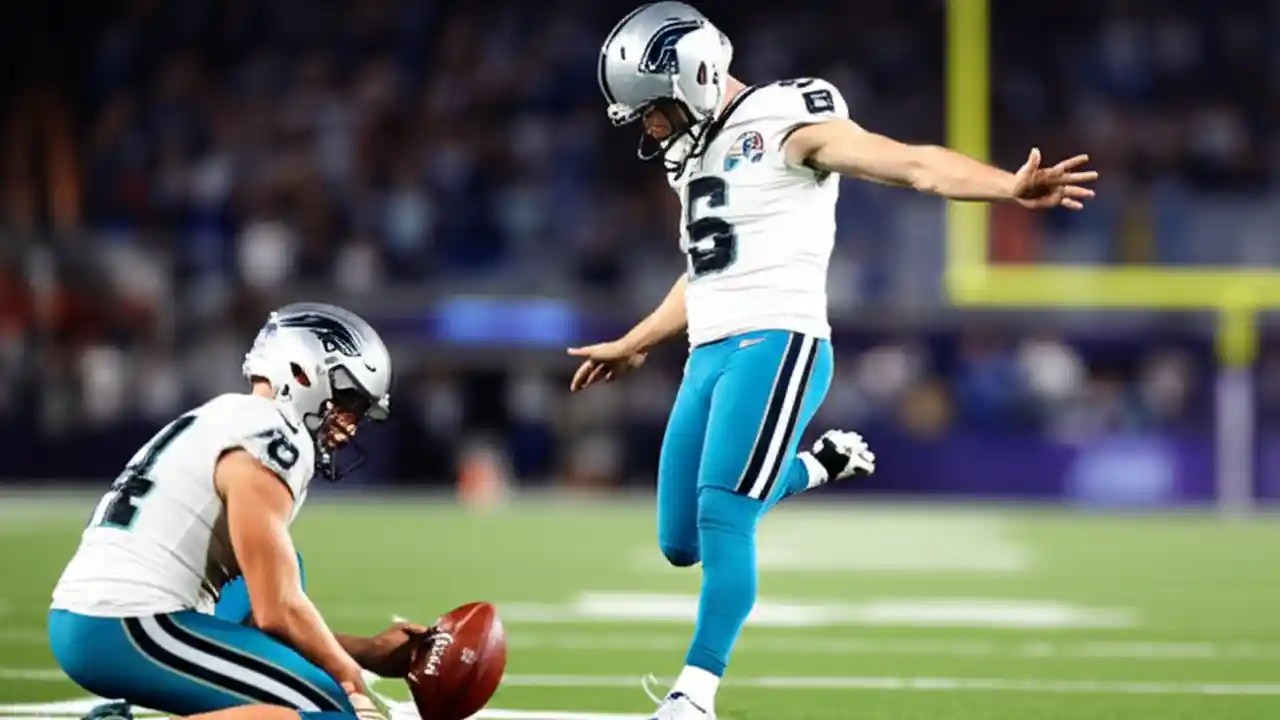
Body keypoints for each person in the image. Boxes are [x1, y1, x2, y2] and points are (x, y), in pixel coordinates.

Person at [571, 3, 1098, 718]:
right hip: (709, 351)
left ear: (695, 77)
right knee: (679, 540)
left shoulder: (787, 119)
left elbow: (910, 164)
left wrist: (1004, 185)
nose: (651, 128)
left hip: (776, 342)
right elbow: (705, 272)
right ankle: (812, 467)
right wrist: (635, 340)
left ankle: (694, 695)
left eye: (654, 111)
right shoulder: (690, 154)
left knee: (724, 516)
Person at [49, 303, 421, 720]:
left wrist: (367, 652)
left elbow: (259, 617)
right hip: (128, 624)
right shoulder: (274, 435)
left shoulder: (228, 415)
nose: (349, 424)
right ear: (302, 373)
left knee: (280, 571)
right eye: (347, 399)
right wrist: (351, 680)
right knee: (333, 712)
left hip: (100, 618)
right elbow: (277, 610)